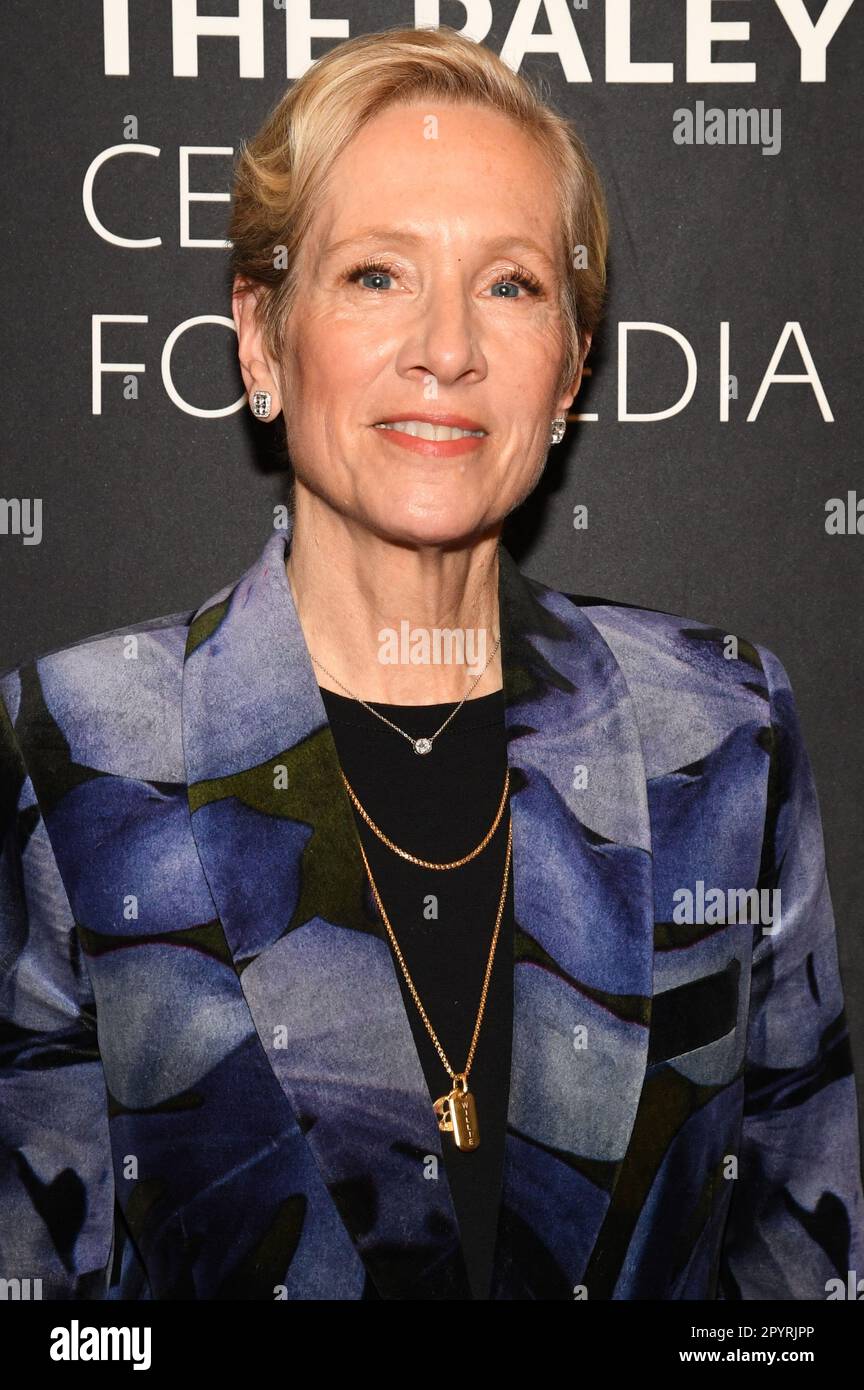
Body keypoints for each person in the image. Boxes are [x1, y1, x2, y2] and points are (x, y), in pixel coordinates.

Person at [1, 25, 862, 1302]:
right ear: (261, 338)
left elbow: (803, 1260)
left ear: (570, 368)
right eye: (376, 275)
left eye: (509, 284)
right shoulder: (79, 742)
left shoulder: (723, 727)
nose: (446, 347)